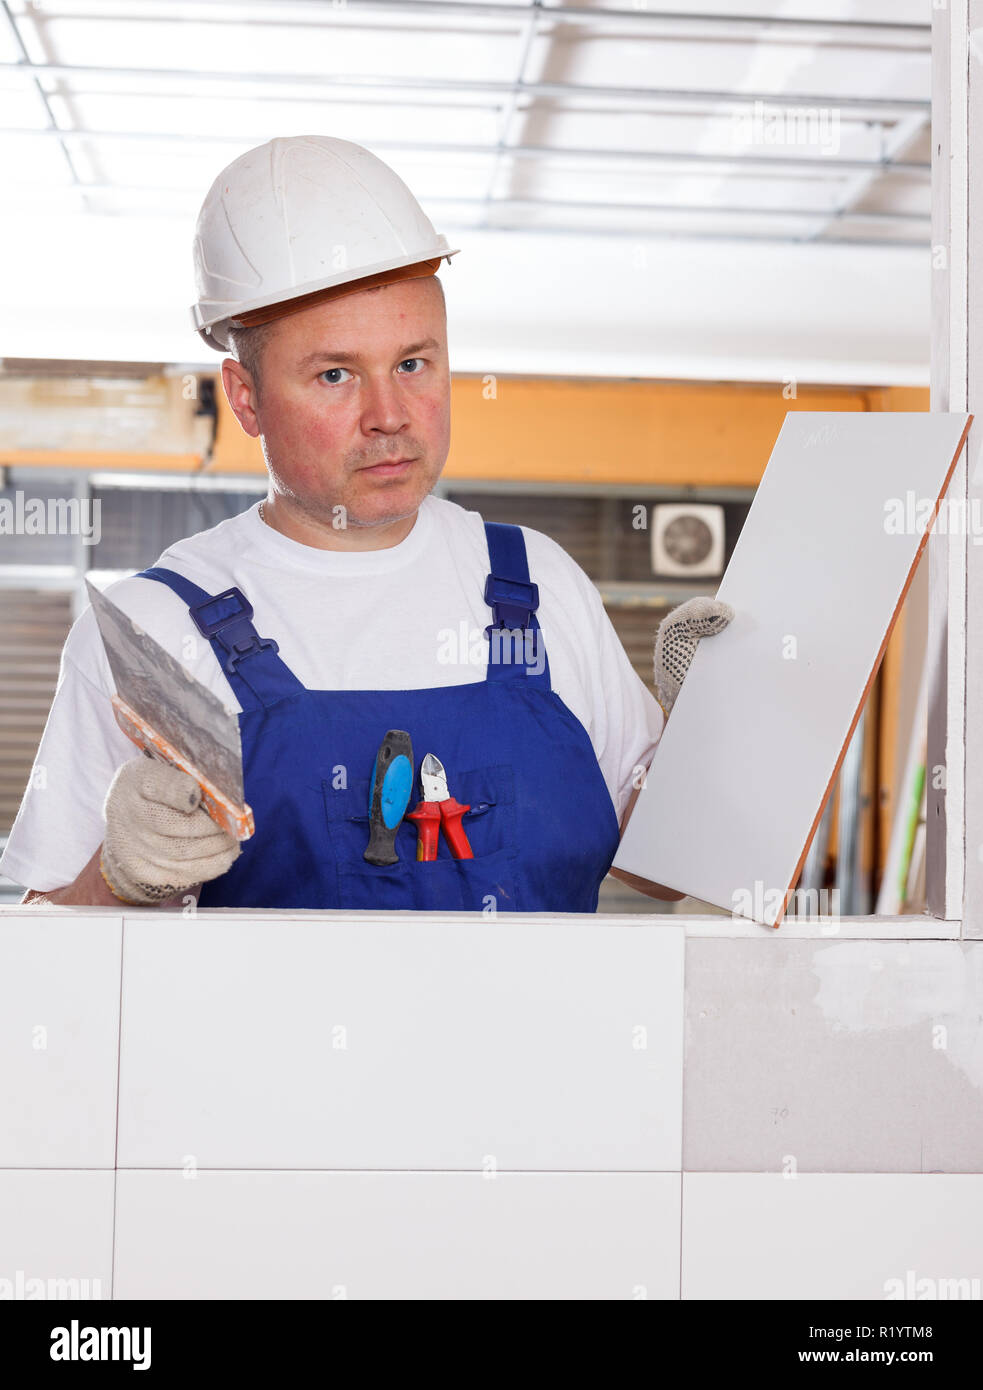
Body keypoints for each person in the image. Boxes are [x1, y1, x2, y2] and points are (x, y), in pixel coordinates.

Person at [2, 135, 731, 912]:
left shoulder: (538, 581)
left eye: (413, 364)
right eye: (335, 374)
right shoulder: (155, 633)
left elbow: (665, 872)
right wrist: (118, 881)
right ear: (244, 398)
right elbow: (49, 980)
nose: (389, 417)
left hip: (556, 1038)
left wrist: (711, 732)